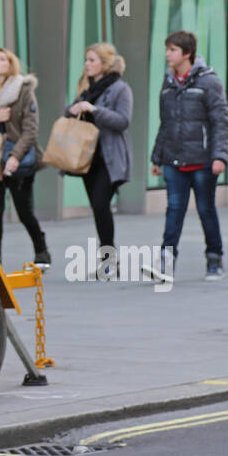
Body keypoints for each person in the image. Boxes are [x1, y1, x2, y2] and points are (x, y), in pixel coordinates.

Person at [148, 30, 228, 282]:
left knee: (206, 209)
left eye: (172, 50)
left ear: (187, 53)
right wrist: (157, 156)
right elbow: (166, 122)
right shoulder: (169, 82)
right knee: (174, 209)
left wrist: (220, 157)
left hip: (203, 160)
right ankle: (166, 259)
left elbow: (220, 122)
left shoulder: (209, 81)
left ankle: (214, 258)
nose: (167, 55)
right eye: (167, 49)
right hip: (174, 158)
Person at [0, 47, 50, 266]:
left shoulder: (23, 90)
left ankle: (41, 248)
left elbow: (31, 130)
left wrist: (15, 156)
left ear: (11, 64)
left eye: (2, 59)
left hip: (19, 159)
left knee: (23, 210)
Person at [66, 44, 133, 280]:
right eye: (86, 60)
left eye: (92, 60)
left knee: (100, 204)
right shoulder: (86, 88)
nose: (87, 64)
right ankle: (108, 259)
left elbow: (123, 121)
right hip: (88, 159)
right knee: (98, 209)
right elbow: (69, 114)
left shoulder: (120, 89)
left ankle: (110, 260)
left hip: (110, 158)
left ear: (104, 63)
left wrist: (95, 110)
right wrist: (73, 108)